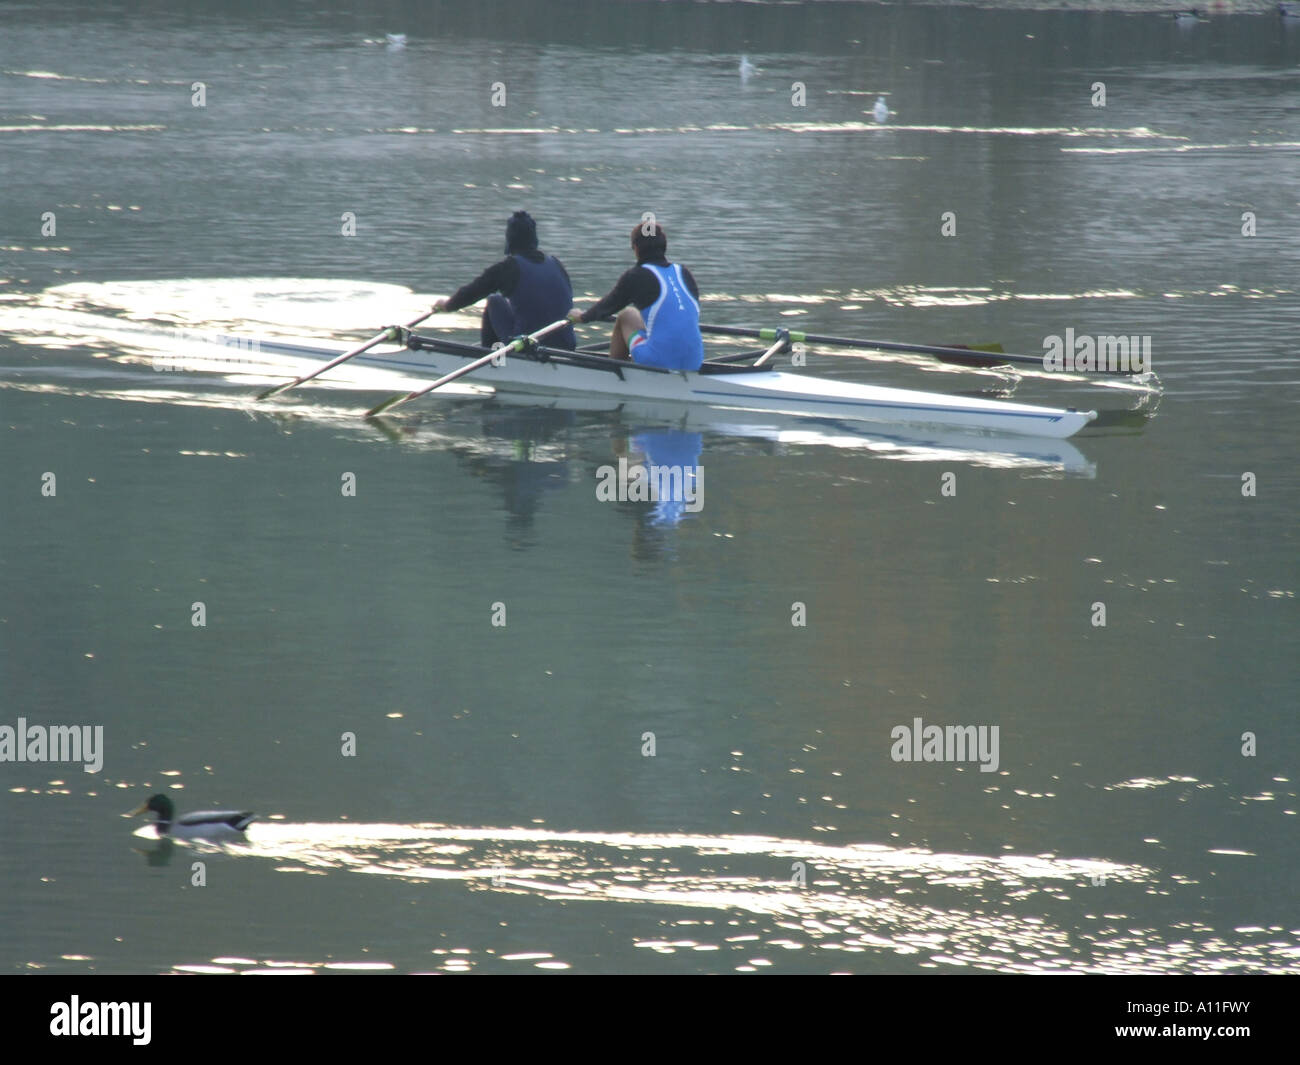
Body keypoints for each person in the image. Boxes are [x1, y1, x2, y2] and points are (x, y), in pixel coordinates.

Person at [568, 221, 704, 370]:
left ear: (636, 248)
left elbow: (607, 307)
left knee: (626, 315)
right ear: (664, 246)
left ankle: (615, 375)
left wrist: (582, 317)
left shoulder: (636, 276)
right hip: (695, 360)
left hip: (658, 360)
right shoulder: (684, 273)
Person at [432, 211, 577, 350]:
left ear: (509, 239)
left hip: (527, 346)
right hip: (566, 345)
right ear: (535, 239)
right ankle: (498, 356)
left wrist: (448, 305)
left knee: (494, 300)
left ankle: (494, 361)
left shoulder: (507, 268)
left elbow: (471, 293)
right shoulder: (557, 264)